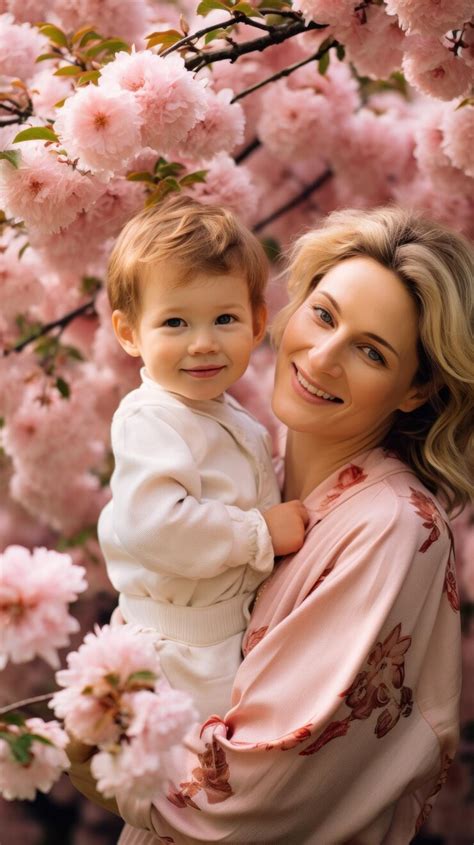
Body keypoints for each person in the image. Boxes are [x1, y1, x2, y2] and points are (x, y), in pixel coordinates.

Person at [70, 206, 472, 844]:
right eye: (323, 314)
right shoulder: (254, 471)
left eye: (371, 350)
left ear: (414, 389)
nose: (323, 356)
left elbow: (249, 797)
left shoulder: (392, 528)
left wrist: (107, 750)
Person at [98, 195, 308, 719]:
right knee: (198, 771)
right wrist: (259, 531)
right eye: (175, 323)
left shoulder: (222, 412)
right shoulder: (150, 419)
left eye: (224, 318)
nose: (203, 343)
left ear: (258, 323)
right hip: (181, 653)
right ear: (129, 334)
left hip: (223, 638)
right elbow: (154, 527)